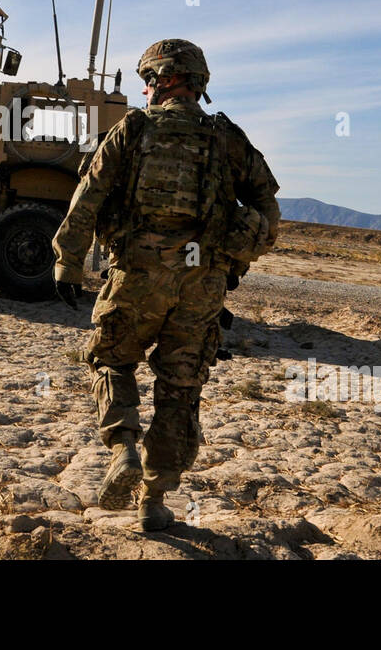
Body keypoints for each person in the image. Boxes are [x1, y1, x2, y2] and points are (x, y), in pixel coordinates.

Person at [52, 38, 280, 532]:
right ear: (197, 83)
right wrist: (234, 256)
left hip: (136, 275)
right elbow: (268, 213)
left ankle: (124, 450)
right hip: (202, 287)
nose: (145, 88)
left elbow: (87, 197)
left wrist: (67, 263)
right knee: (180, 388)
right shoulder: (228, 139)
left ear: (165, 79)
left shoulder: (132, 129)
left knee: (111, 360)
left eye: (149, 79)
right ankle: (153, 501)